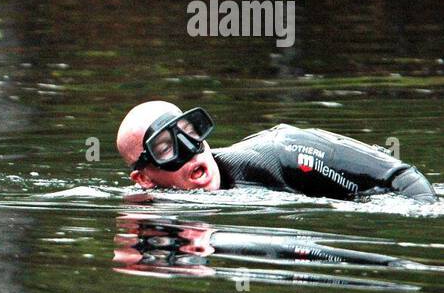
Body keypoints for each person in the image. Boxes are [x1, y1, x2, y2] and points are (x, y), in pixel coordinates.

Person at [115, 100, 436, 202]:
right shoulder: (156, 211)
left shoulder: (284, 151)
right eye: (166, 148)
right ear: (143, 179)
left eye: (191, 132)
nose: (192, 152)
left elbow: (404, 177)